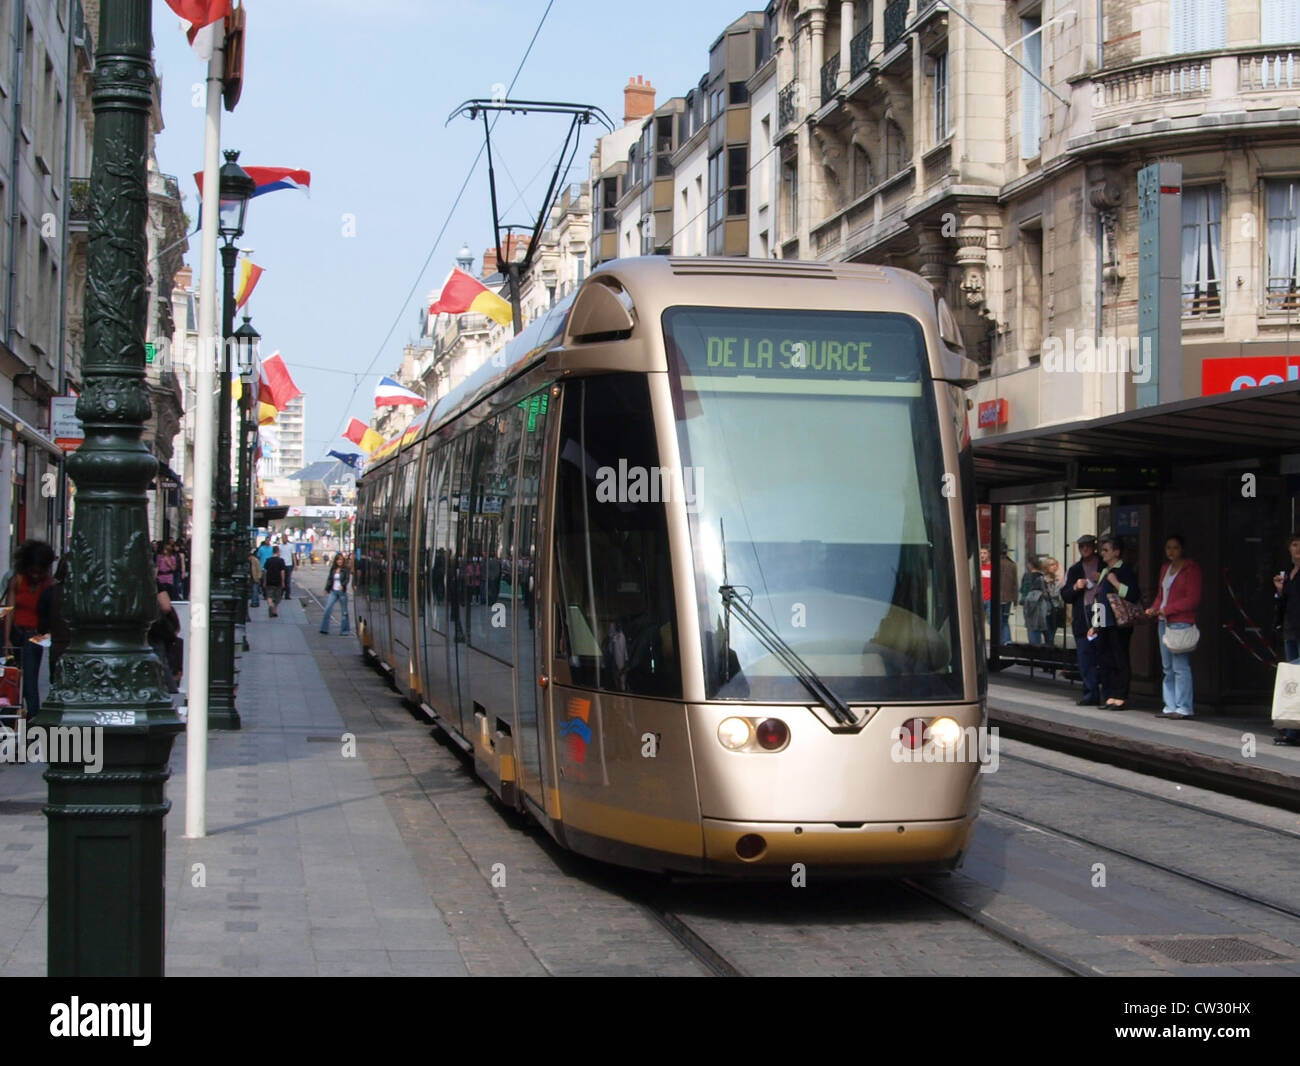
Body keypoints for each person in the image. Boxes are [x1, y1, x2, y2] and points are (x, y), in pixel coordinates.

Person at [1145, 534, 1202, 720]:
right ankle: (1169, 705)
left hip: (1180, 620)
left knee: (1180, 665)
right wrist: (1154, 608)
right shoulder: (1165, 568)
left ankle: (1184, 707)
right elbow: (1161, 595)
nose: (1171, 551)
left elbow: (1192, 599)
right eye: (1168, 548)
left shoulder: (1191, 569)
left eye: (1175, 548)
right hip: (1163, 620)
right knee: (1167, 667)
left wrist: (1167, 609)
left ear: (1182, 549)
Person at [4, 540, 56, 719]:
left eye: (39, 571)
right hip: (17, 632)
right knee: (12, 678)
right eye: (32, 571)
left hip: (35, 635)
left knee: (30, 681)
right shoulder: (17, 581)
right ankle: (14, 714)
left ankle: (33, 716)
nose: (35, 575)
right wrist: (7, 639)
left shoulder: (49, 585)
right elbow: (10, 610)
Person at [1094, 536, 1141, 710]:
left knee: (1120, 657)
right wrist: (1096, 623)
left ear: (1116, 552)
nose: (1102, 553)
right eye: (1102, 550)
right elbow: (1099, 597)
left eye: (1106, 550)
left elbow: (1133, 594)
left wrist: (1115, 582)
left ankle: (1121, 695)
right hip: (1104, 622)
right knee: (1106, 659)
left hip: (1118, 622)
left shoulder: (1124, 570)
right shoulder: (1105, 571)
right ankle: (1110, 694)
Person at [1061, 535, 1103, 706]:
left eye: (1087, 546)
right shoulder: (1075, 569)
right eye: (1081, 547)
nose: (1084, 549)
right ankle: (1090, 693)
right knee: (1085, 657)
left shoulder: (1103, 565)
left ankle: (1109, 693)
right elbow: (1065, 595)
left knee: (1104, 655)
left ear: (1094, 547)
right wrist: (1075, 587)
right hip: (1082, 616)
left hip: (1101, 612)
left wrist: (1101, 578)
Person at [1272, 534, 1300, 745]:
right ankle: (1292, 731)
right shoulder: (1289, 574)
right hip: (1290, 629)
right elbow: (1286, 602)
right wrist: (1280, 591)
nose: (1297, 549)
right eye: (1294, 545)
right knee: (1292, 680)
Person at [38, 554, 72, 687]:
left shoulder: (50, 593)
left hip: (58, 647)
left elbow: (42, 622)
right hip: (80, 647)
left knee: (57, 684)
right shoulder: (86, 594)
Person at [148, 589, 183, 693]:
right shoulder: (153, 583)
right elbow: (165, 606)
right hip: (153, 630)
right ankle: (171, 692)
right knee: (160, 662)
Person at [1020, 556, 1052, 645]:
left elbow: (1023, 591)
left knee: (1032, 629)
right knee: (1046, 630)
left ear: (1030, 565)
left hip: (1030, 607)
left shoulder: (1027, 576)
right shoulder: (1043, 577)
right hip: (1043, 607)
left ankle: (1035, 648)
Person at [319, 553, 351, 636]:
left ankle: (345, 631)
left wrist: (343, 585)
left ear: (343, 560)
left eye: (341, 560)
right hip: (333, 591)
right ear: (336, 561)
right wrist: (327, 589)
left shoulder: (346, 569)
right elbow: (330, 579)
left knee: (344, 612)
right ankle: (324, 629)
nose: (339, 561)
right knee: (327, 609)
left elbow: (347, 579)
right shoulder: (333, 569)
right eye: (338, 560)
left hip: (342, 592)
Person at [999, 548, 1017, 644]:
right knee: (1005, 620)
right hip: (1008, 597)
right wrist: (1015, 600)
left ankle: (1001, 640)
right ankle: (1007, 640)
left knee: (998, 620)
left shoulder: (996, 563)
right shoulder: (1012, 564)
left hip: (997, 597)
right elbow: (1015, 583)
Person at [264, 546, 287, 617]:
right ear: (278, 551)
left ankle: (271, 605)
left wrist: (264, 581)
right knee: (277, 597)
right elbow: (282, 572)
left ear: (272, 551)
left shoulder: (268, 560)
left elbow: (265, 571)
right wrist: (283, 581)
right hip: (278, 581)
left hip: (269, 581)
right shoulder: (281, 561)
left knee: (269, 596)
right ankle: (274, 610)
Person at [979, 547, 992, 629]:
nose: (982, 555)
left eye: (984, 553)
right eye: (980, 553)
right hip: (979, 598)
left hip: (989, 598)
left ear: (989, 554)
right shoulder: (977, 567)